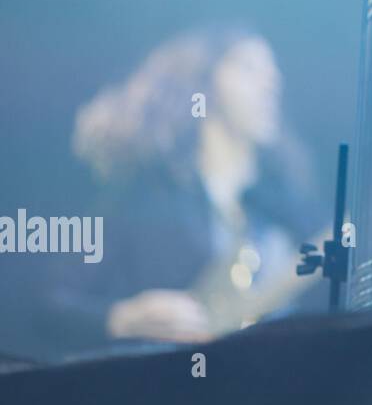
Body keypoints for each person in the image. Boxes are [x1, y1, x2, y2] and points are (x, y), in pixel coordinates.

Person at [38, 25, 325, 355]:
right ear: (202, 81)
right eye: (248, 68)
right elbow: (50, 306)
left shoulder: (285, 205)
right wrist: (122, 317)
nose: (271, 83)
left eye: (273, 73)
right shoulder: (145, 195)